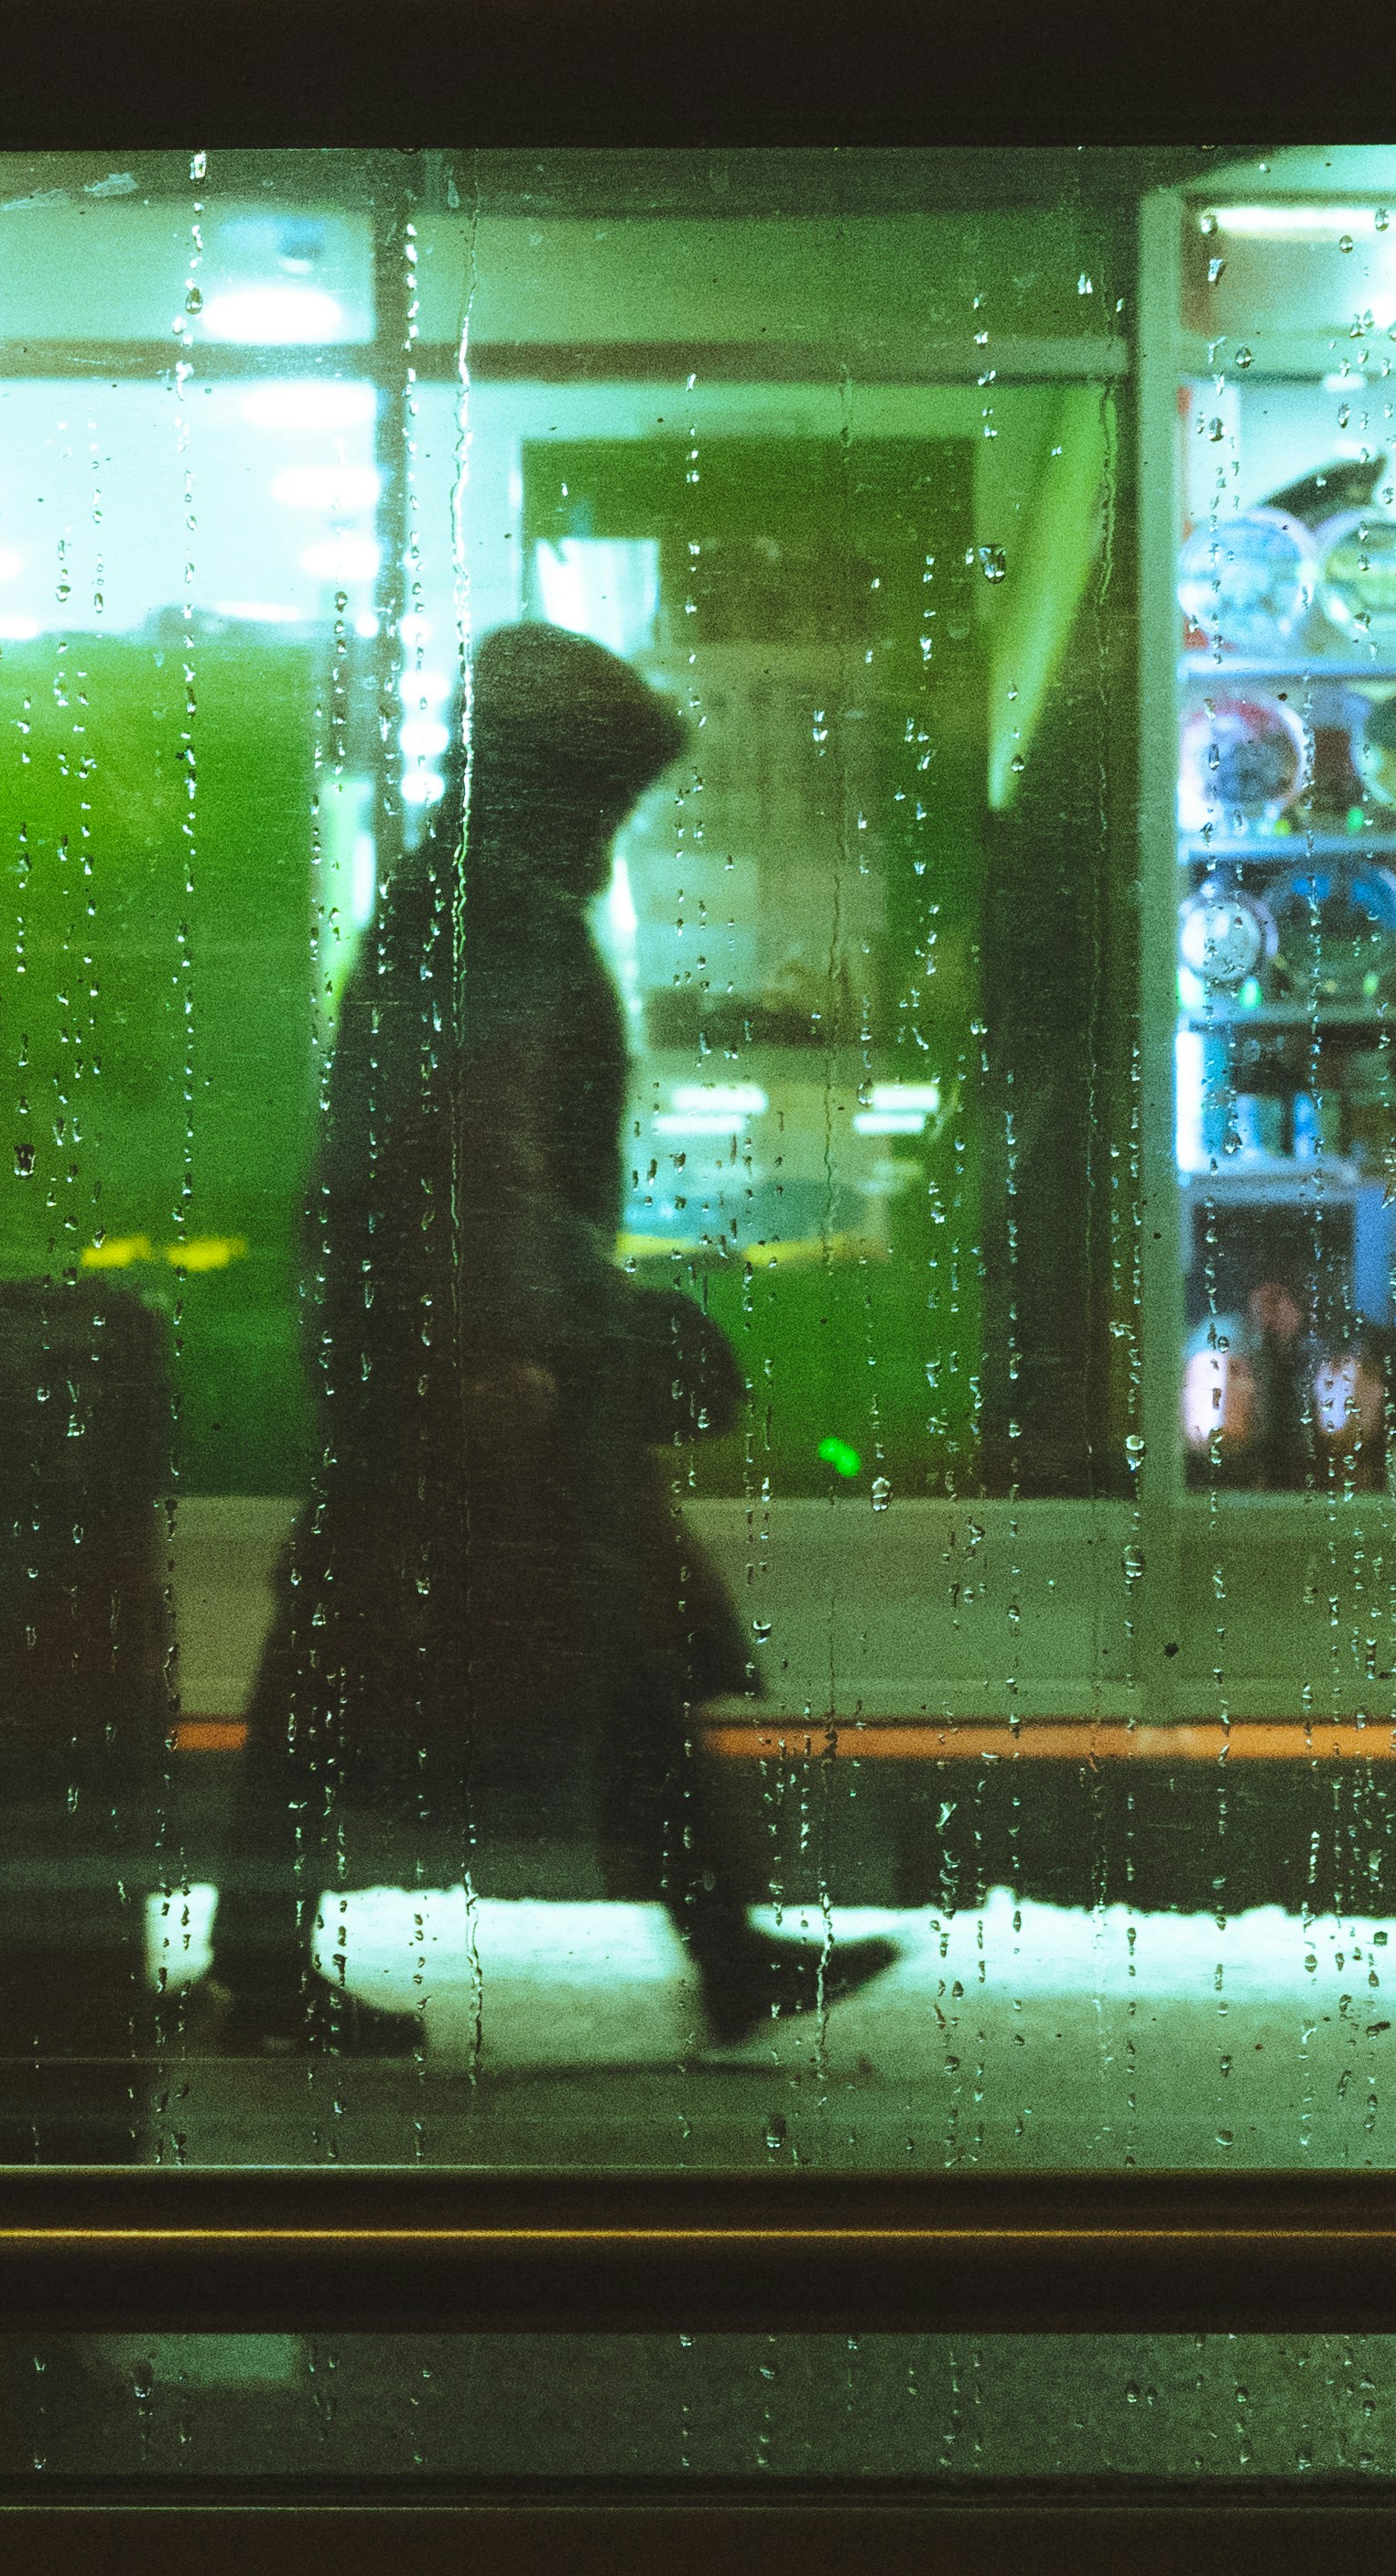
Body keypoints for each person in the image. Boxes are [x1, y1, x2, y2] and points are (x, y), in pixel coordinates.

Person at [194, 622, 896, 2062]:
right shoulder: (493, 911)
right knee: (395, 1636)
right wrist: (526, 1329)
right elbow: (477, 1148)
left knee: (492, 1632)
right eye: (611, 798)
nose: (614, 830)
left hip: (441, 1324)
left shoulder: (465, 894)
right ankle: (277, 1958)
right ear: (570, 788)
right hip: (465, 1341)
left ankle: (715, 1945)